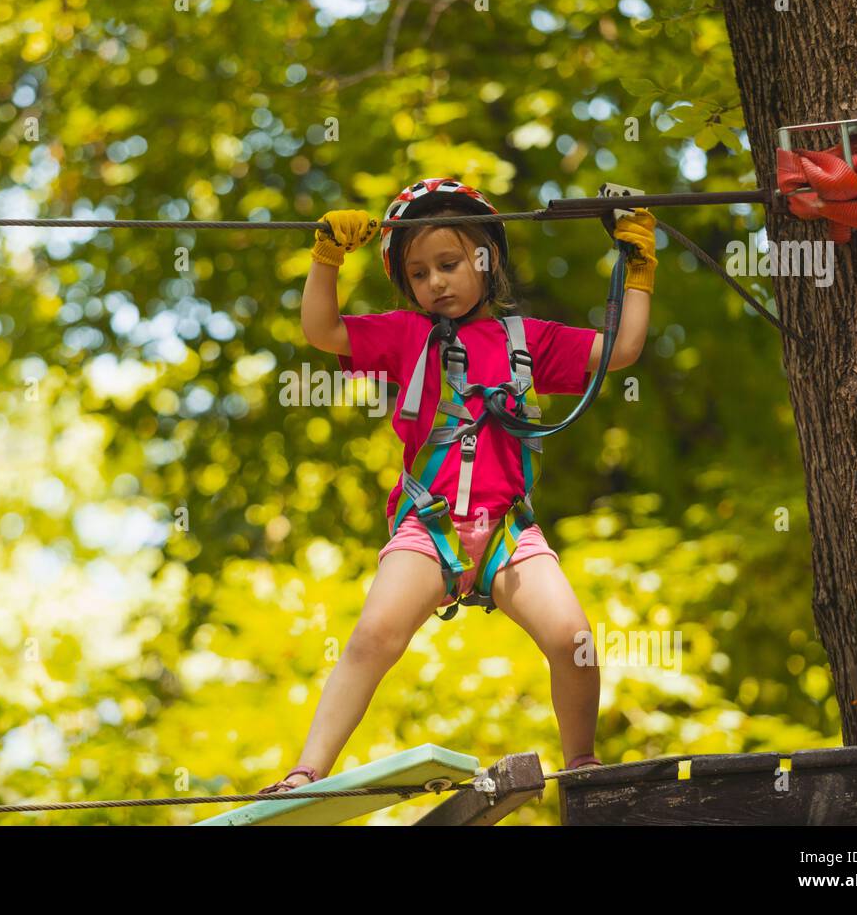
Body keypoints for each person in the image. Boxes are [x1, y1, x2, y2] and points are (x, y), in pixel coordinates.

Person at [261, 177, 656, 794]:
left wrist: (638, 263)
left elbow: (624, 349)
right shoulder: (405, 336)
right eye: (418, 274)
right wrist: (327, 258)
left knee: (573, 639)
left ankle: (582, 763)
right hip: (432, 526)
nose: (434, 282)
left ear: (486, 258)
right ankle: (305, 771)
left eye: (448, 264)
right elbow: (323, 331)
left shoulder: (530, 341)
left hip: (507, 530)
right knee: (371, 639)